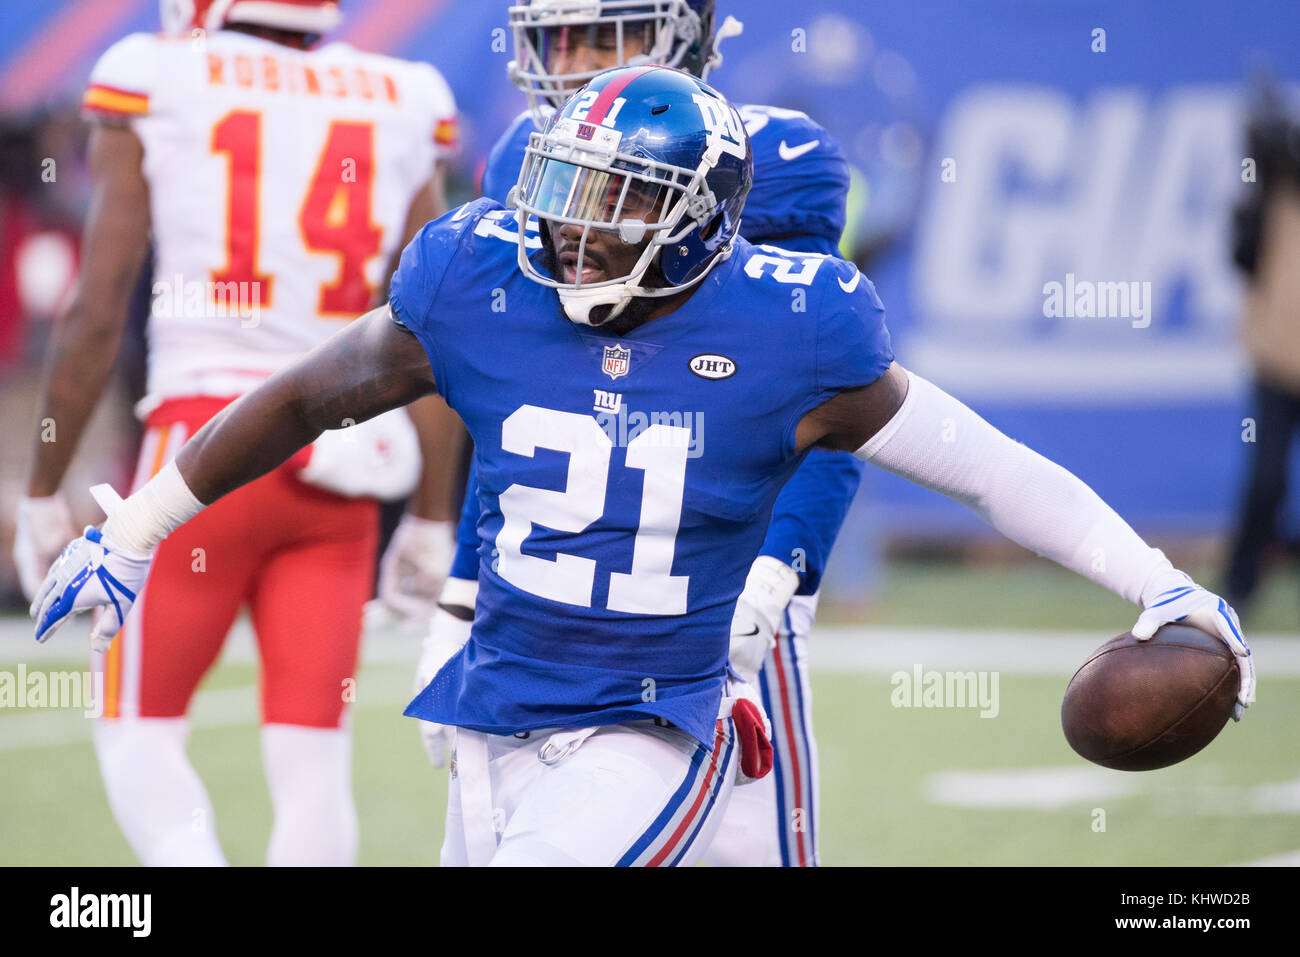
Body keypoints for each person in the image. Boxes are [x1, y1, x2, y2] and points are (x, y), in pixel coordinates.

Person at [33, 66, 1254, 868]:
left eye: (611, 199)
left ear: (700, 218)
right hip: (490, 704)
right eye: (564, 185)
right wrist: (134, 531)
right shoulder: (481, 276)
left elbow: (990, 471)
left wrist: (1160, 585)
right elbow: (301, 397)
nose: (568, 222)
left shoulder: (791, 330)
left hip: (646, 724)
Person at [397, 0, 862, 868]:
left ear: (682, 35)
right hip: (563, 586)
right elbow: (518, 412)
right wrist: (461, 596)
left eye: (602, 33)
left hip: (721, 570)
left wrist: (778, 567)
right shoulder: (523, 161)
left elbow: (829, 406)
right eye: (553, 35)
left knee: (753, 851)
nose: (571, 59)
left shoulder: (776, 157)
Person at [16, 0, 459, 865]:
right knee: (312, 762)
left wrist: (41, 490)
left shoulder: (157, 71)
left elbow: (96, 314)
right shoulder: (402, 90)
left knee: (135, 729)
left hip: (201, 450)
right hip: (346, 454)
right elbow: (428, 329)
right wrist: (435, 514)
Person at [1223, 79, 1300, 619]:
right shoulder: (1271, 196)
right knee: (1266, 478)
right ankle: (1240, 586)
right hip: (1278, 357)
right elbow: (1243, 256)